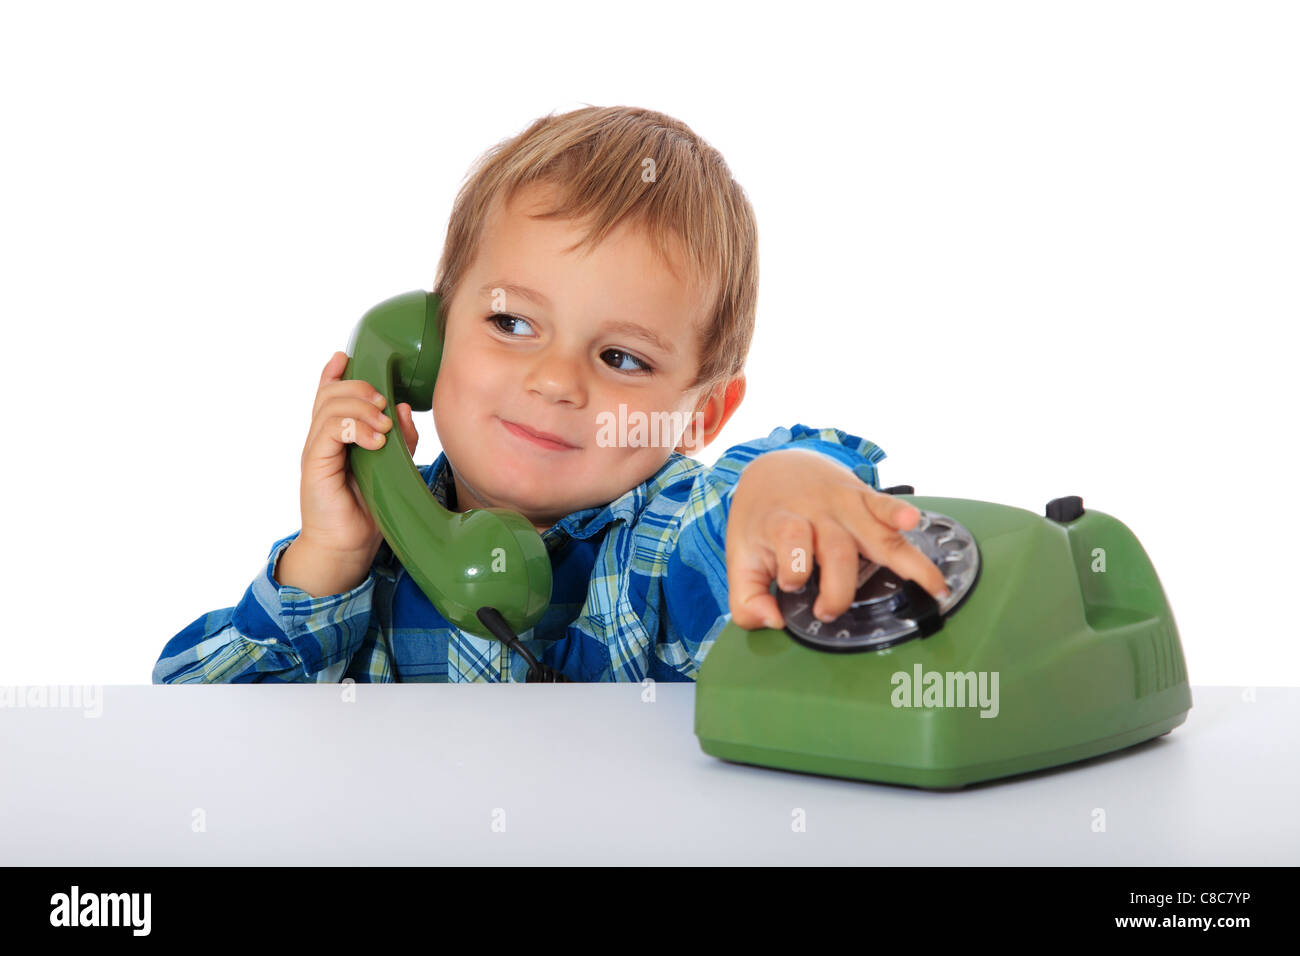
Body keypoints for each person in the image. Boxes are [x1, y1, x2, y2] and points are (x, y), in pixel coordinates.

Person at [154, 105, 946, 684]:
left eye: (623, 358)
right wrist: (327, 561)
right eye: (511, 322)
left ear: (698, 414)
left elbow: (733, 529)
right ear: (427, 343)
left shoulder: (662, 548)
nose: (556, 381)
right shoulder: (367, 567)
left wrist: (787, 480)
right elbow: (192, 730)